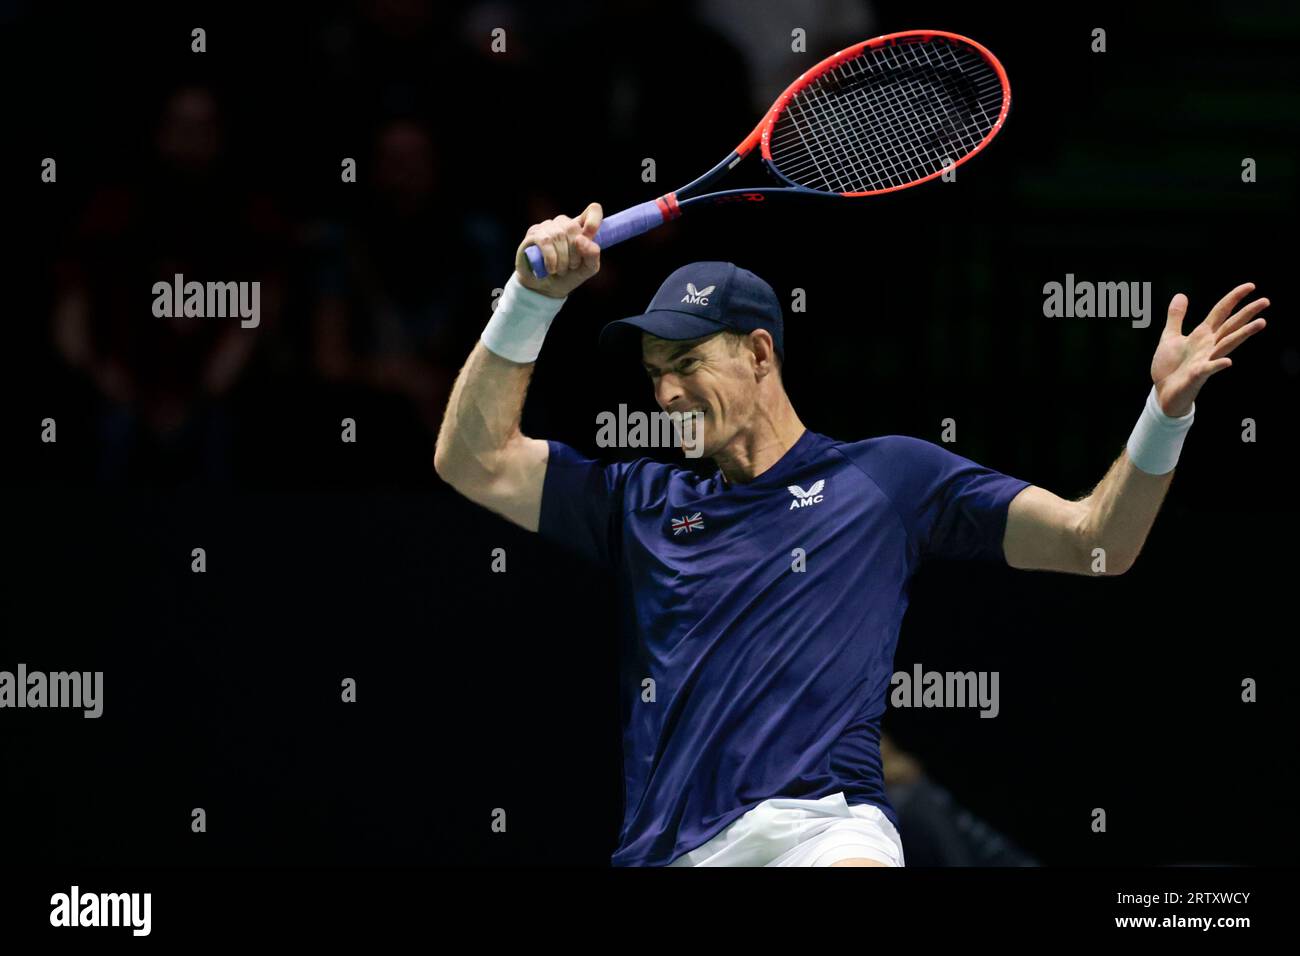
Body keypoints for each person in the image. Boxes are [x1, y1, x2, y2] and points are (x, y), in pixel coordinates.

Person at [433, 202, 1268, 867]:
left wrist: (1165, 417)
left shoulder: (887, 481)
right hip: (671, 848)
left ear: (760, 353)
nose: (667, 396)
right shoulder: (640, 502)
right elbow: (472, 460)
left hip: (824, 830)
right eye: (654, 376)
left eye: (687, 366)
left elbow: (1098, 541)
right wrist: (531, 300)